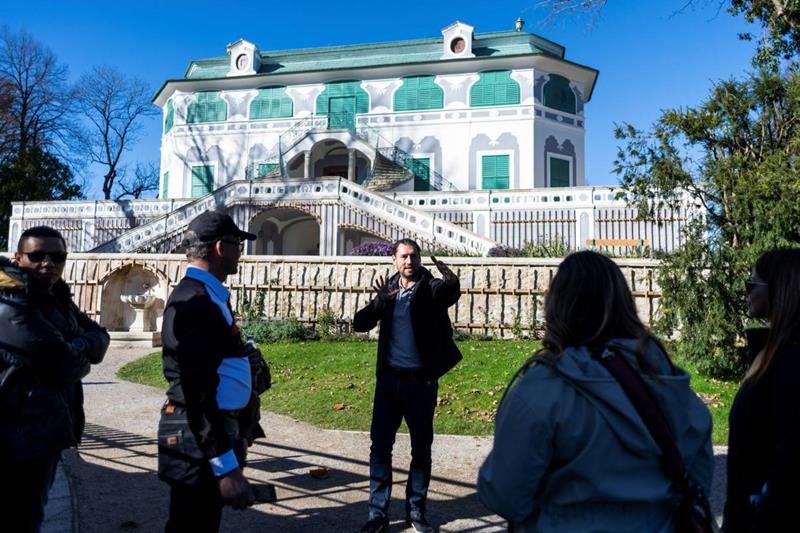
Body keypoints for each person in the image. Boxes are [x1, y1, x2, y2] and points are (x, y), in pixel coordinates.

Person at [477, 250, 713, 532]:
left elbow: (505, 495)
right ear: (624, 302)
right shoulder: (666, 379)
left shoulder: (543, 389)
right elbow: (698, 476)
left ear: (556, 305)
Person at [158, 210, 264, 533]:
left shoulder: (208, 295)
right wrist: (226, 469)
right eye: (237, 246)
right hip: (198, 440)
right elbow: (196, 394)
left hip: (204, 436)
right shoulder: (196, 302)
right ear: (221, 248)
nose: (240, 255)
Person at [0, 226, 109, 532]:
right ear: (18, 257)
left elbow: (100, 336)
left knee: (31, 514)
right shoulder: (9, 303)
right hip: (15, 435)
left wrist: (74, 345)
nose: (48, 263)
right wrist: (76, 346)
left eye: (57, 256)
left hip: (40, 432)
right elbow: (65, 365)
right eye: (37, 256)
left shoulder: (56, 298)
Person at [353, 238, 462, 533]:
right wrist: (379, 304)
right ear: (394, 260)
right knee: (380, 448)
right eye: (403, 256)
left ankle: (416, 511)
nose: (409, 261)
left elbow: (447, 293)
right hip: (390, 382)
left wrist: (451, 279)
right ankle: (377, 514)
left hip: (420, 382)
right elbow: (359, 323)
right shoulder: (388, 290)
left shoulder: (430, 287)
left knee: (421, 449)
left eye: (413, 256)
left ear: (419, 259)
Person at [723, 249, 800, 531]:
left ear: (778, 291)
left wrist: (762, 511)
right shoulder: (771, 354)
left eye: (752, 285)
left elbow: (790, 452)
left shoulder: (790, 361)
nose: (746, 292)